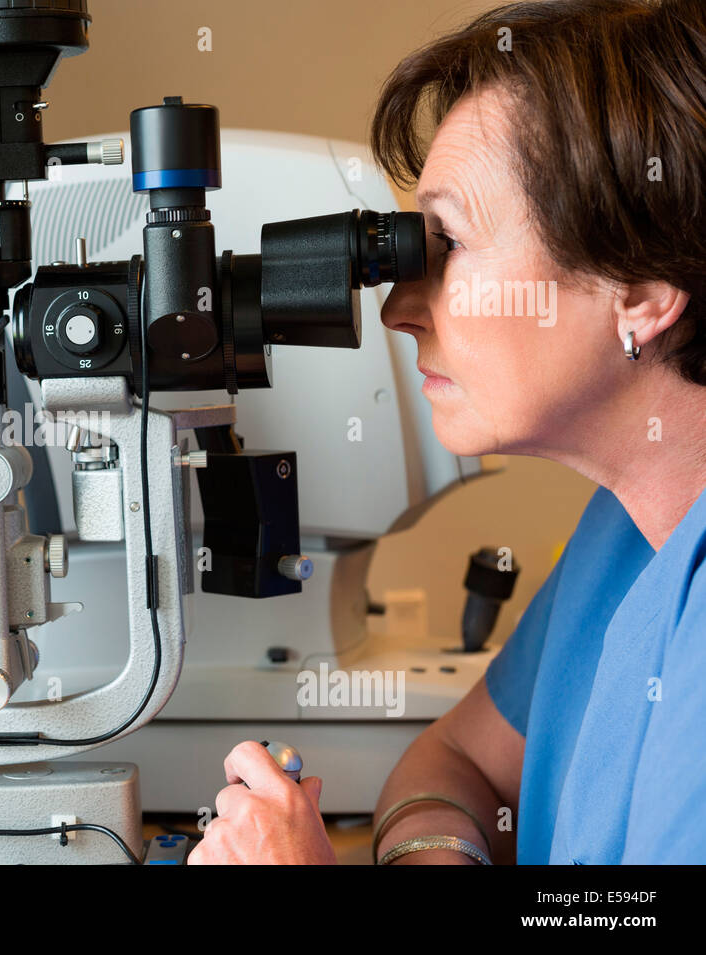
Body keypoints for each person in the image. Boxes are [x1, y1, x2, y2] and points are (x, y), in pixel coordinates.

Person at [189, 0, 706, 865]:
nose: (399, 307)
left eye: (452, 242)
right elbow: (458, 763)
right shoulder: (627, 532)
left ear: (645, 289)